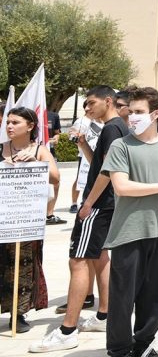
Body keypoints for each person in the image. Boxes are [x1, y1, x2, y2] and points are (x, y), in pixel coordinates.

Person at [30, 86, 129, 352]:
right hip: (107, 204)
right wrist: (84, 144)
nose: (86, 109)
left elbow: (108, 169)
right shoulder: (115, 128)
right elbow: (100, 162)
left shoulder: (112, 128)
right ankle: (104, 316)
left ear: (108, 101)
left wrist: (88, 202)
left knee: (79, 261)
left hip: (99, 205)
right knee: (100, 257)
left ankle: (67, 330)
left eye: (90, 103)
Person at [101, 87, 158, 357]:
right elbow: (121, 187)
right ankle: (119, 349)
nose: (132, 117)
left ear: (155, 114)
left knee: (154, 294)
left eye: (139, 112)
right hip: (128, 230)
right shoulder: (120, 146)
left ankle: (144, 344)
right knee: (122, 296)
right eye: (130, 112)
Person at [1, 107, 59, 334]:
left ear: (30, 126)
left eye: (15, 122)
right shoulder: (1, 148)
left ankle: (18, 313)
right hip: (2, 216)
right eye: (8, 122)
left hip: (25, 219)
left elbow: (55, 177)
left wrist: (35, 162)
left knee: (23, 266)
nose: (9, 126)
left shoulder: (40, 150)